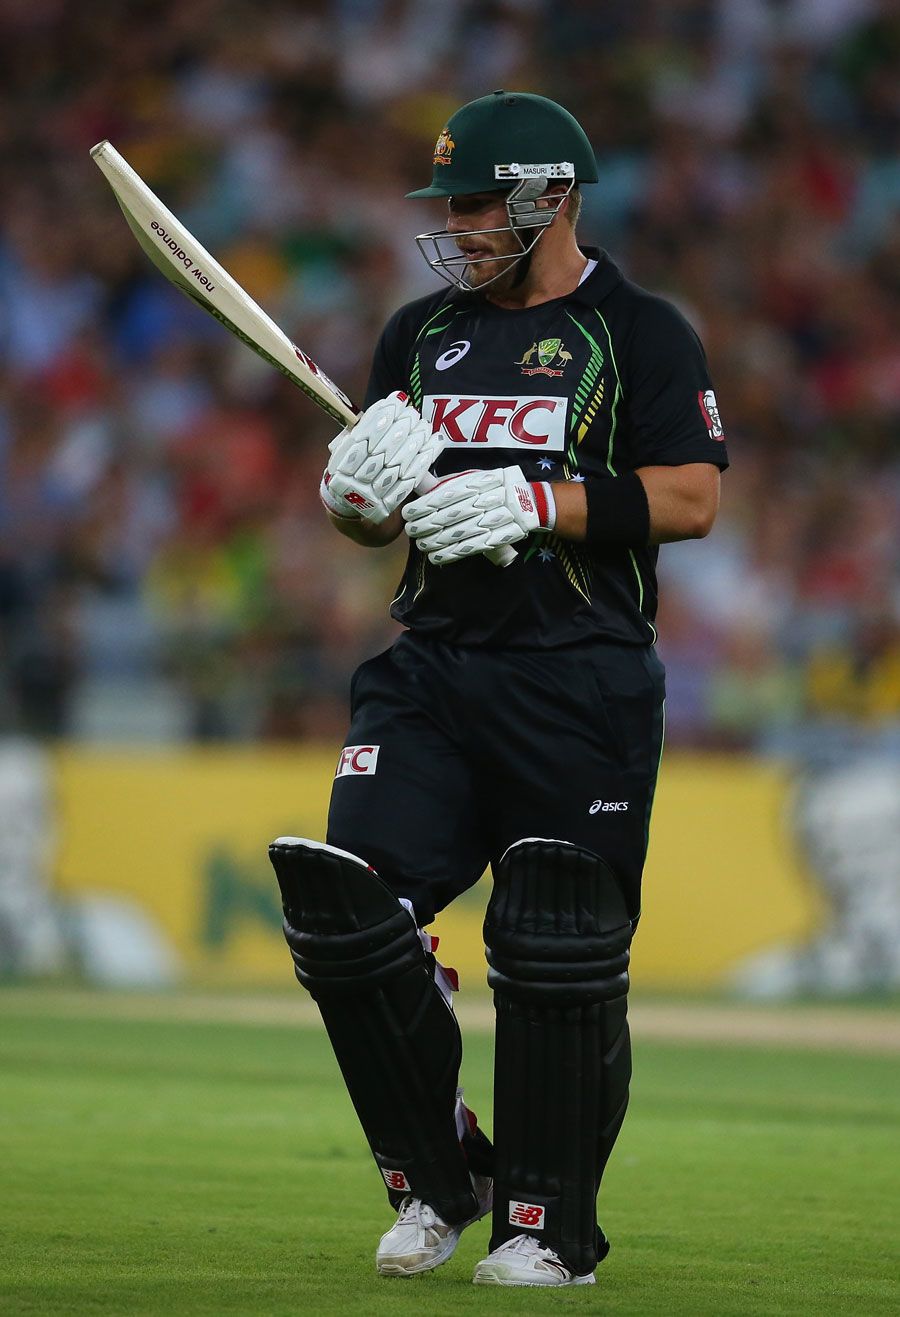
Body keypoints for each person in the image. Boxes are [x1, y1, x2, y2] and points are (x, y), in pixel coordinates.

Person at [269, 89, 728, 1289]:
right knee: (347, 912)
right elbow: (384, 515)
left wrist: (541, 500)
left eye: (478, 204)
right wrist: (354, 507)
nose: (458, 226)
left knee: (555, 946)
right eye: (451, 205)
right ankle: (437, 1181)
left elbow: (691, 497)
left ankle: (548, 1227)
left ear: (551, 198)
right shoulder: (420, 334)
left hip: (580, 676)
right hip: (429, 665)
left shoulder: (640, 331)